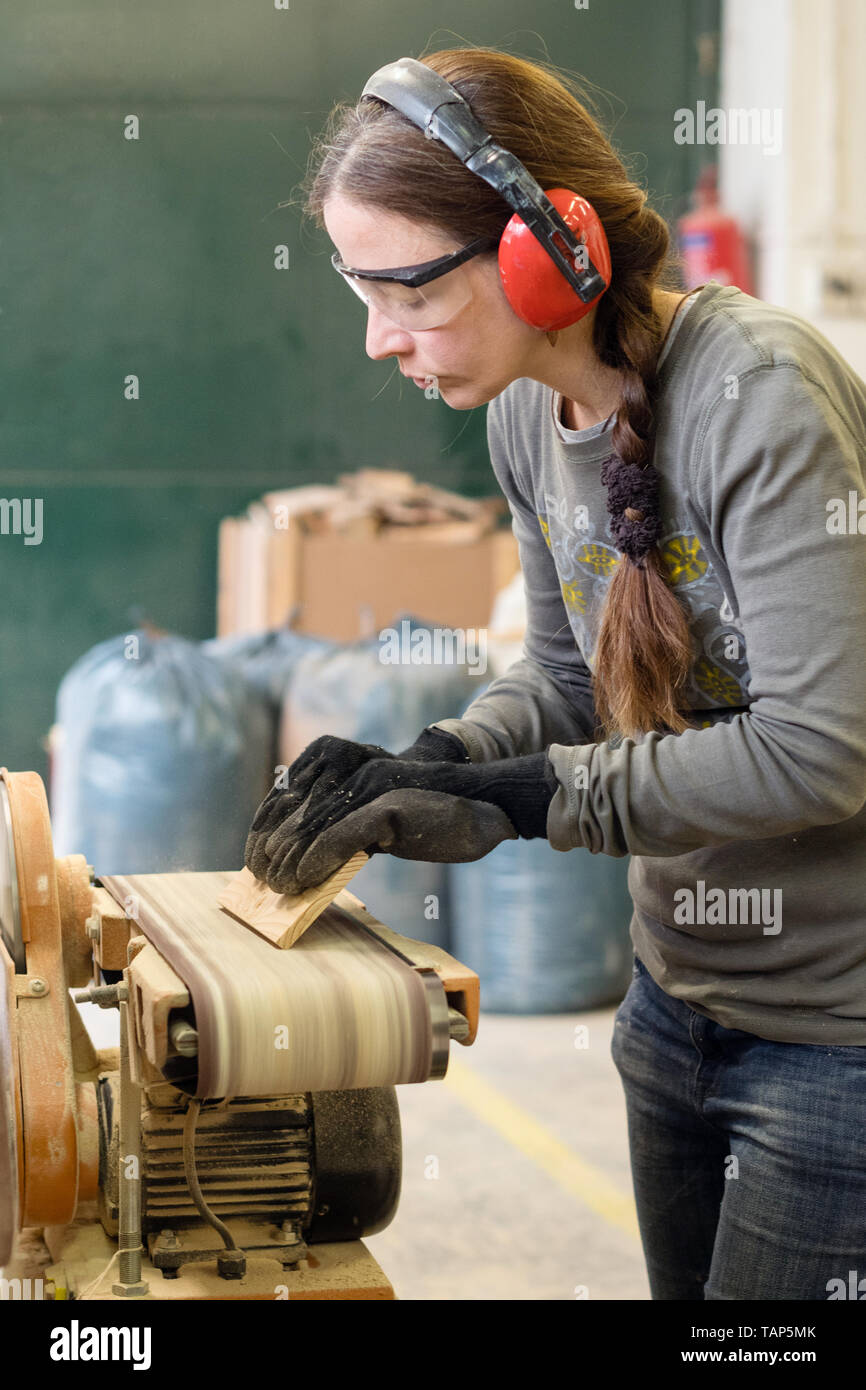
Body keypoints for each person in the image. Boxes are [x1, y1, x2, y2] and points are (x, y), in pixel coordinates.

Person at [245, 47, 866, 1301]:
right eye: (357, 291)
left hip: (834, 1041)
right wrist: (446, 758)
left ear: (545, 249)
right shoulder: (525, 414)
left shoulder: (758, 395)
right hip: (674, 1000)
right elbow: (567, 682)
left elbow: (822, 748)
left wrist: (535, 797)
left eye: (404, 291)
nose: (379, 338)